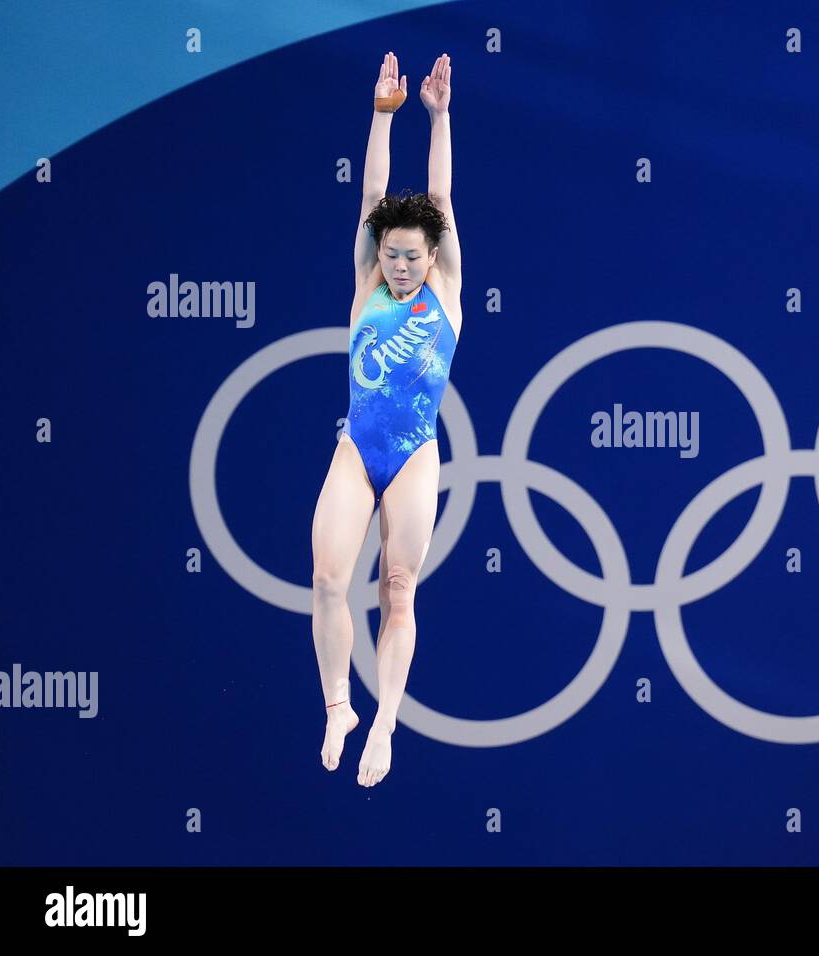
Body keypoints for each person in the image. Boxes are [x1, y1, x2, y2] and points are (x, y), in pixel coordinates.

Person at [310, 51, 462, 787]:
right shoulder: (367, 281)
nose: (399, 266)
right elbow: (374, 196)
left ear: (432, 258)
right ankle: (339, 704)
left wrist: (439, 119)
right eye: (392, 256)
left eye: (411, 257)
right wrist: (382, 116)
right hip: (356, 447)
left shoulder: (449, 290)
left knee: (396, 588)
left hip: (413, 453)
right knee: (329, 581)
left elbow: (441, 198)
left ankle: (385, 723)